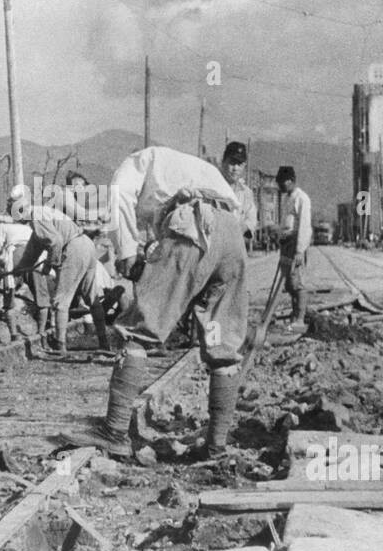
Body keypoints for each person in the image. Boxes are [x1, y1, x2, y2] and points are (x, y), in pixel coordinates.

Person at [59, 146, 246, 459]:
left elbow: (119, 198)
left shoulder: (134, 163)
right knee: (220, 337)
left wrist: (126, 251)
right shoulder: (187, 167)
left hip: (193, 226)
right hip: (230, 238)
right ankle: (217, 446)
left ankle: (114, 431)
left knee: (139, 329)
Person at [7, 184, 110, 354]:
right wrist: (18, 270)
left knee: (61, 301)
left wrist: (50, 264)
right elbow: (32, 253)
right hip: (87, 245)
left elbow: (55, 242)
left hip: (74, 248)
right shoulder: (40, 217)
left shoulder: (37, 218)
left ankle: (60, 344)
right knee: (92, 298)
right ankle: (104, 341)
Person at [275, 166, 312, 330]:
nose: (280, 186)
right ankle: (294, 314)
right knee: (289, 283)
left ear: (289, 181)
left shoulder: (302, 198)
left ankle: (300, 318)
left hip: (296, 243)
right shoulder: (286, 198)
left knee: (297, 282)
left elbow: (304, 226)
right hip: (286, 244)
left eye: (282, 183)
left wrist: (299, 250)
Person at [220, 142, 257, 246]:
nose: (235, 168)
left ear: (244, 166)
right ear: (223, 162)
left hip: (235, 246)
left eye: (239, 164)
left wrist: (242, 227)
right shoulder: (213, 187)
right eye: (232, 163)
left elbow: (251, 219)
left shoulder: (246, 193)